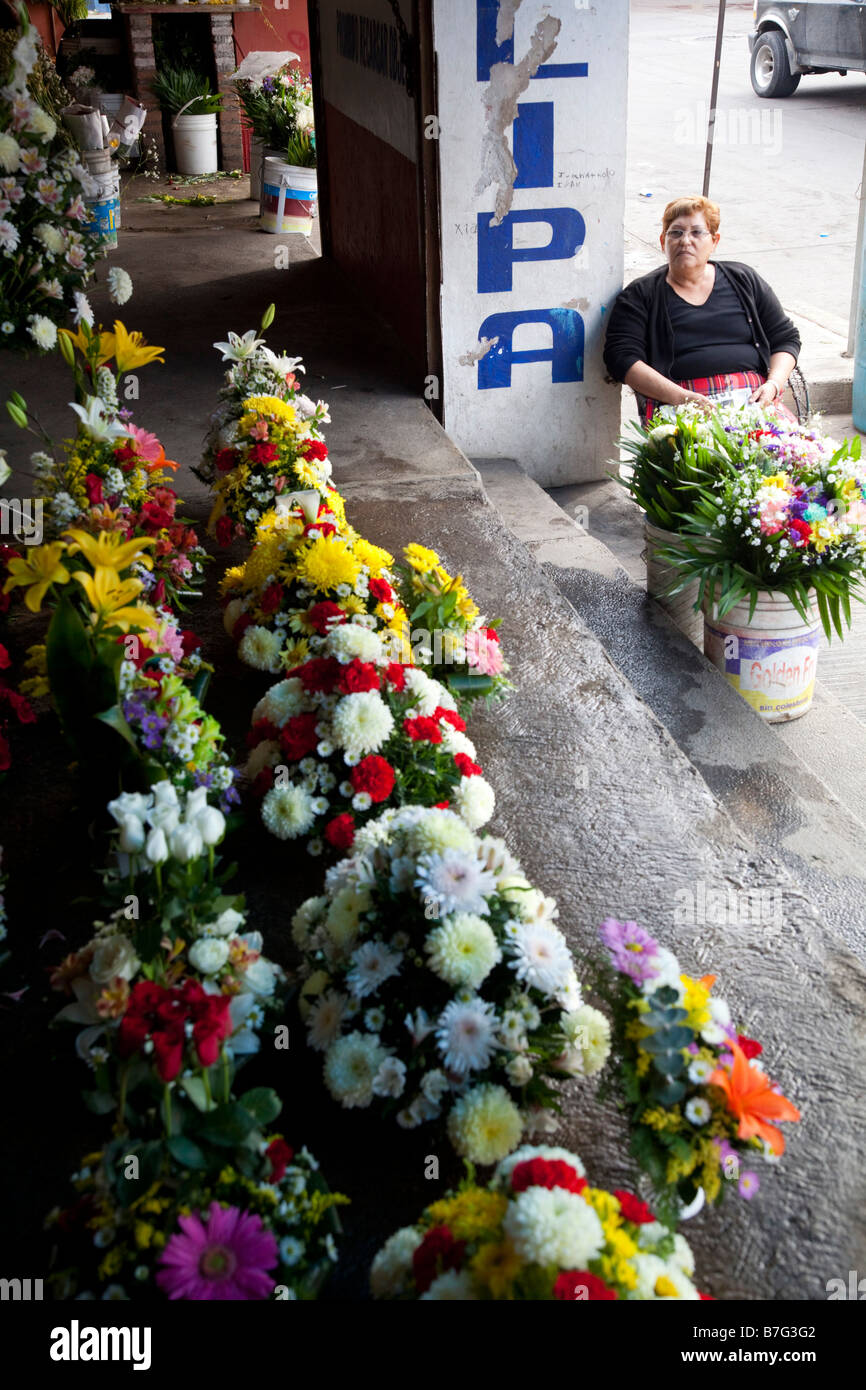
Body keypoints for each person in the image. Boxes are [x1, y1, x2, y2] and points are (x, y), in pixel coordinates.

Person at [603, 195, 801, 422]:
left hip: (754, 403)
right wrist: (682, 397)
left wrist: (774, 385)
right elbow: (621, 358)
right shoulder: (641, 294)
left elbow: (785, 338)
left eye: (697, 232)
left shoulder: (744, 279)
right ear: (662, 241)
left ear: (714, 241)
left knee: (791, 453)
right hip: (682, 408)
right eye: (676, 232)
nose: (685, 241)